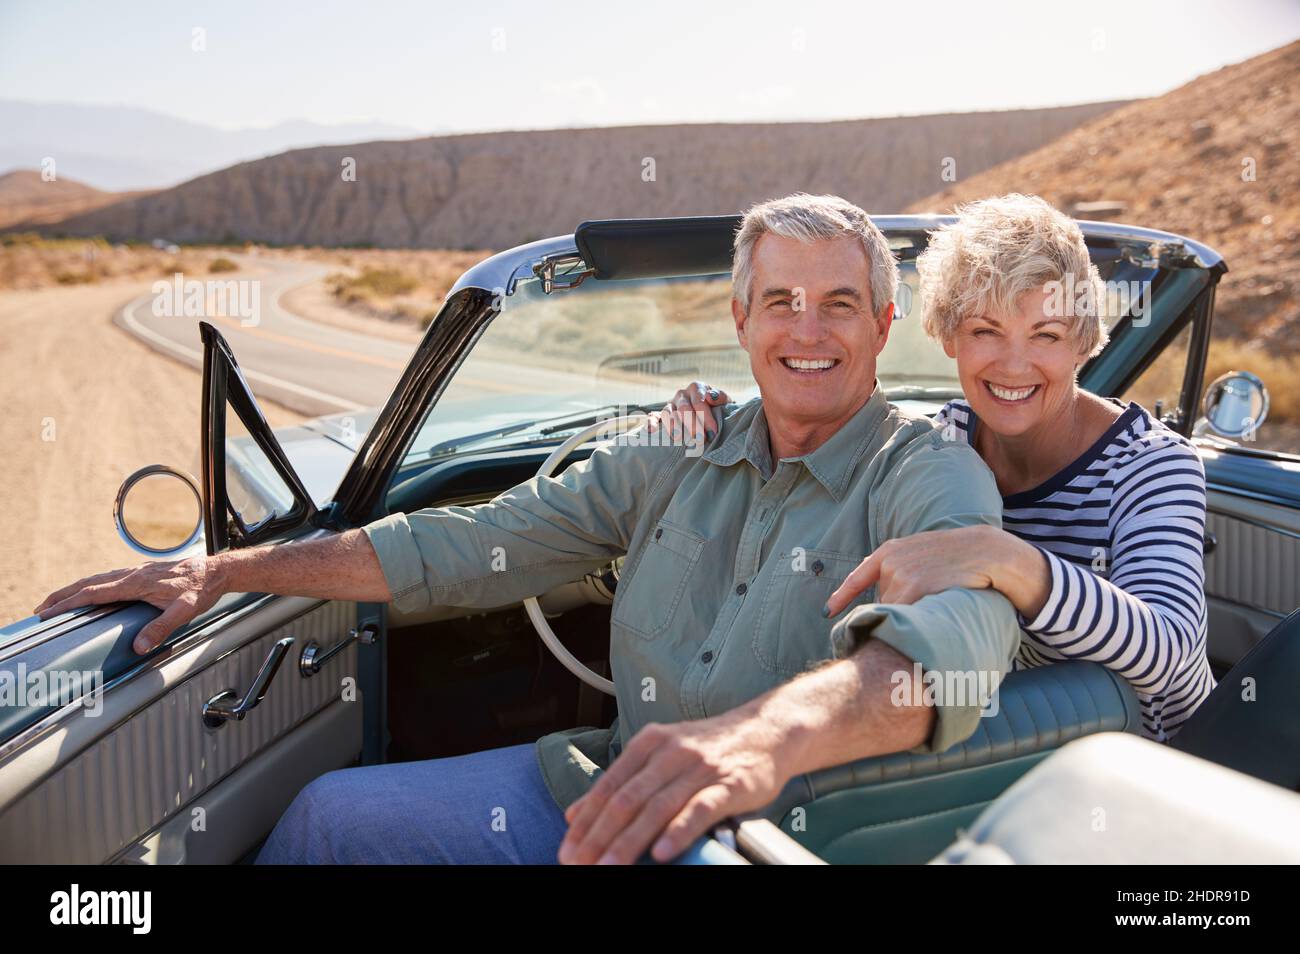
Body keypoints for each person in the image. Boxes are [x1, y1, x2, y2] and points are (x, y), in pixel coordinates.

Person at [35, 193, 1021, 865]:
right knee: (327, 819)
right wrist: (227, 572)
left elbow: (953, 651)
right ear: (740, 318)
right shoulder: (675, 447)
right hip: (600, 786)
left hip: (771, 834)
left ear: (884, 326)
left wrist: (755, 741)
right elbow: (473, 542)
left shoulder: (927, 473)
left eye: (839, 305)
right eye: (781, 303)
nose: (807, 332)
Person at [659, 193, 1215, 743]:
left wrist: (1007, 560)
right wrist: (718, 411)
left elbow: (1168, 651)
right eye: (985, 331)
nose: (1013, 364)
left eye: (1045, 334)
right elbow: (839, 422)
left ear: (1083, 342)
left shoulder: (1151, 465)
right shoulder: (940, 441)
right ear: (949, 335)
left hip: (1156, 765)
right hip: (1009, 751)